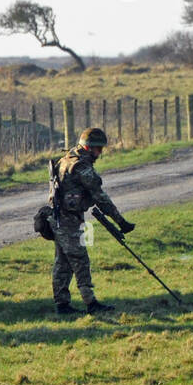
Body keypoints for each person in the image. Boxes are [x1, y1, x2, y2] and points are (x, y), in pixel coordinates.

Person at [49, 127, 135, 315]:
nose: (100, 153)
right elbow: (100, 197)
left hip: (60, 218)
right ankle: (91, 303)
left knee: (63, 262)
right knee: (80, 260)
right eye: (98, 149)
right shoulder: (81, 166)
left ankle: (62, 305)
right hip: (70, 220)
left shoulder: (66, 159)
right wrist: (121, 221)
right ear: (89, 148)